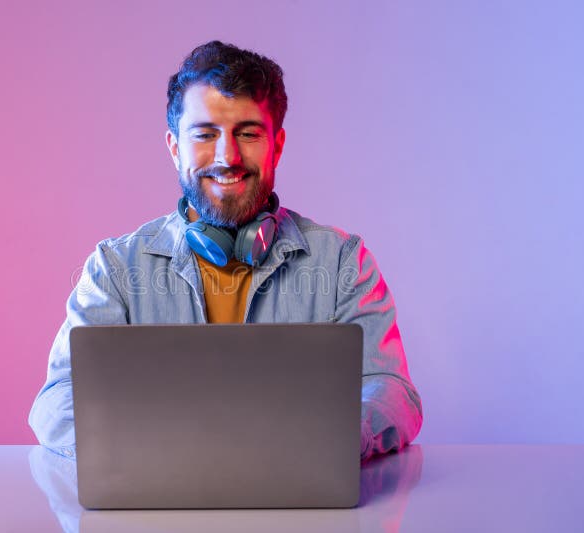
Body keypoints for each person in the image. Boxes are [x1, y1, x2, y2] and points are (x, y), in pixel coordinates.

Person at [29, 41, 423, 461]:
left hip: (299, 493)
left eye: (248, 133)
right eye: (205, 134)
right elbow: (56, 403)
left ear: (277, 145)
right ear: (175, 148)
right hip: (159, 495)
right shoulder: (115, 269)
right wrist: (165, 451)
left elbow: (391, 391)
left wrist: (324, 441)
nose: (227, 156)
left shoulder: (342, 261)